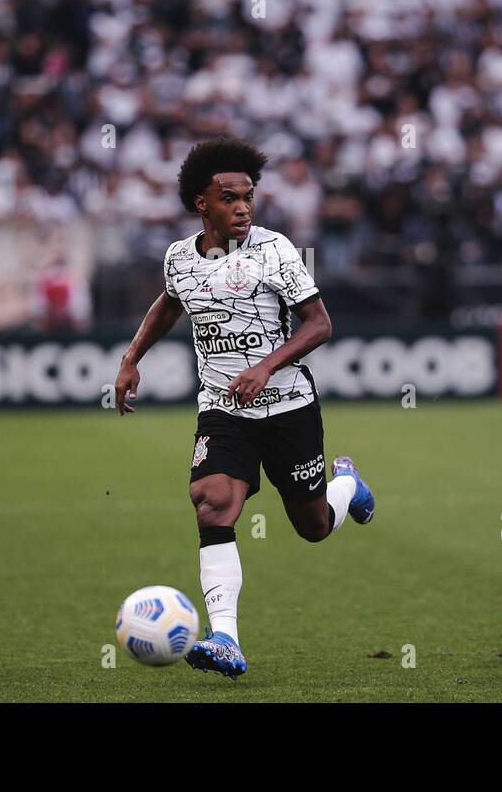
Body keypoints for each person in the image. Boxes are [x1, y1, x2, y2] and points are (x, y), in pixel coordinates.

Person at [113, 137, 375, 679]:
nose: (242, 207)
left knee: (314, 527)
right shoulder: (180, 258)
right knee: (212, 504)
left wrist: (266, 367)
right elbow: (170, 302)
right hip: (223, 409)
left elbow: (320, 324)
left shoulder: (275, 250)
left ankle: (346, 485)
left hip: (289, 408)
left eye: (248, 197)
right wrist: (132, 356)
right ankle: (226, 638)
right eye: (228, 197)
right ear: (200, 203)